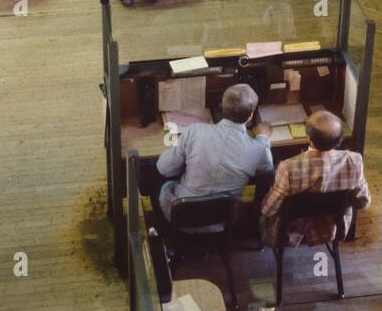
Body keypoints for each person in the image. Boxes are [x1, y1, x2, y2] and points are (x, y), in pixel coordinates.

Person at [155, 83, 274, 223]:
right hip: (223, 222)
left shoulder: (195, 131)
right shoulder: (258, 148)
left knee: (159, 183)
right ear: (250, 116)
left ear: (222, 108)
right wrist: (263, 138)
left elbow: (163, 168)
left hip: (182, 217)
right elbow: (267, 171)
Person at [259, 111, 370, 249]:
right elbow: (363, 202)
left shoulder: (288, 167)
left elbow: (269, 209)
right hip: (332, 230)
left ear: (309, 138)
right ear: (340, 139)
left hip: (293, 233)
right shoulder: (354, 161)